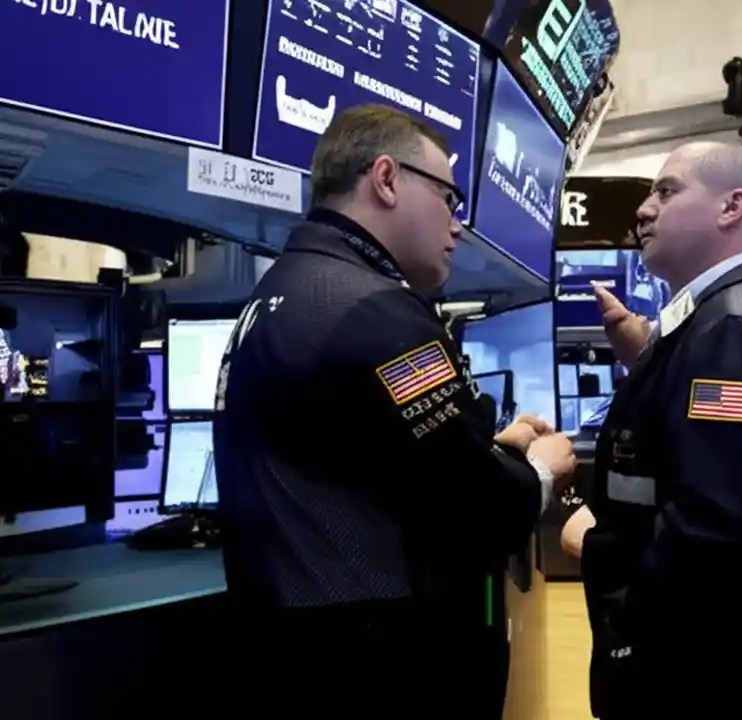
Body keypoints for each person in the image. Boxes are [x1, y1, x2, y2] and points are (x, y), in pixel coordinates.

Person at [212, 104, 576, 714]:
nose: (457, 226)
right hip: (382, 662)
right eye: (449, 199)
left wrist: (495, 445)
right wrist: (538, 467)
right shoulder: (373, 309)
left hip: (297, 646)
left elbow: (381, 458)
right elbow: (478, 504)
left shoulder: (283, 289)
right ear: (386, 178)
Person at [558, 141, 742, 719]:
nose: (643, 209)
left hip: (706, 672)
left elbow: (715, 527)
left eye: (666, 190)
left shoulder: (732, 329)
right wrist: (654, 363)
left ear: (731, 207)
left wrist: (601, 555)